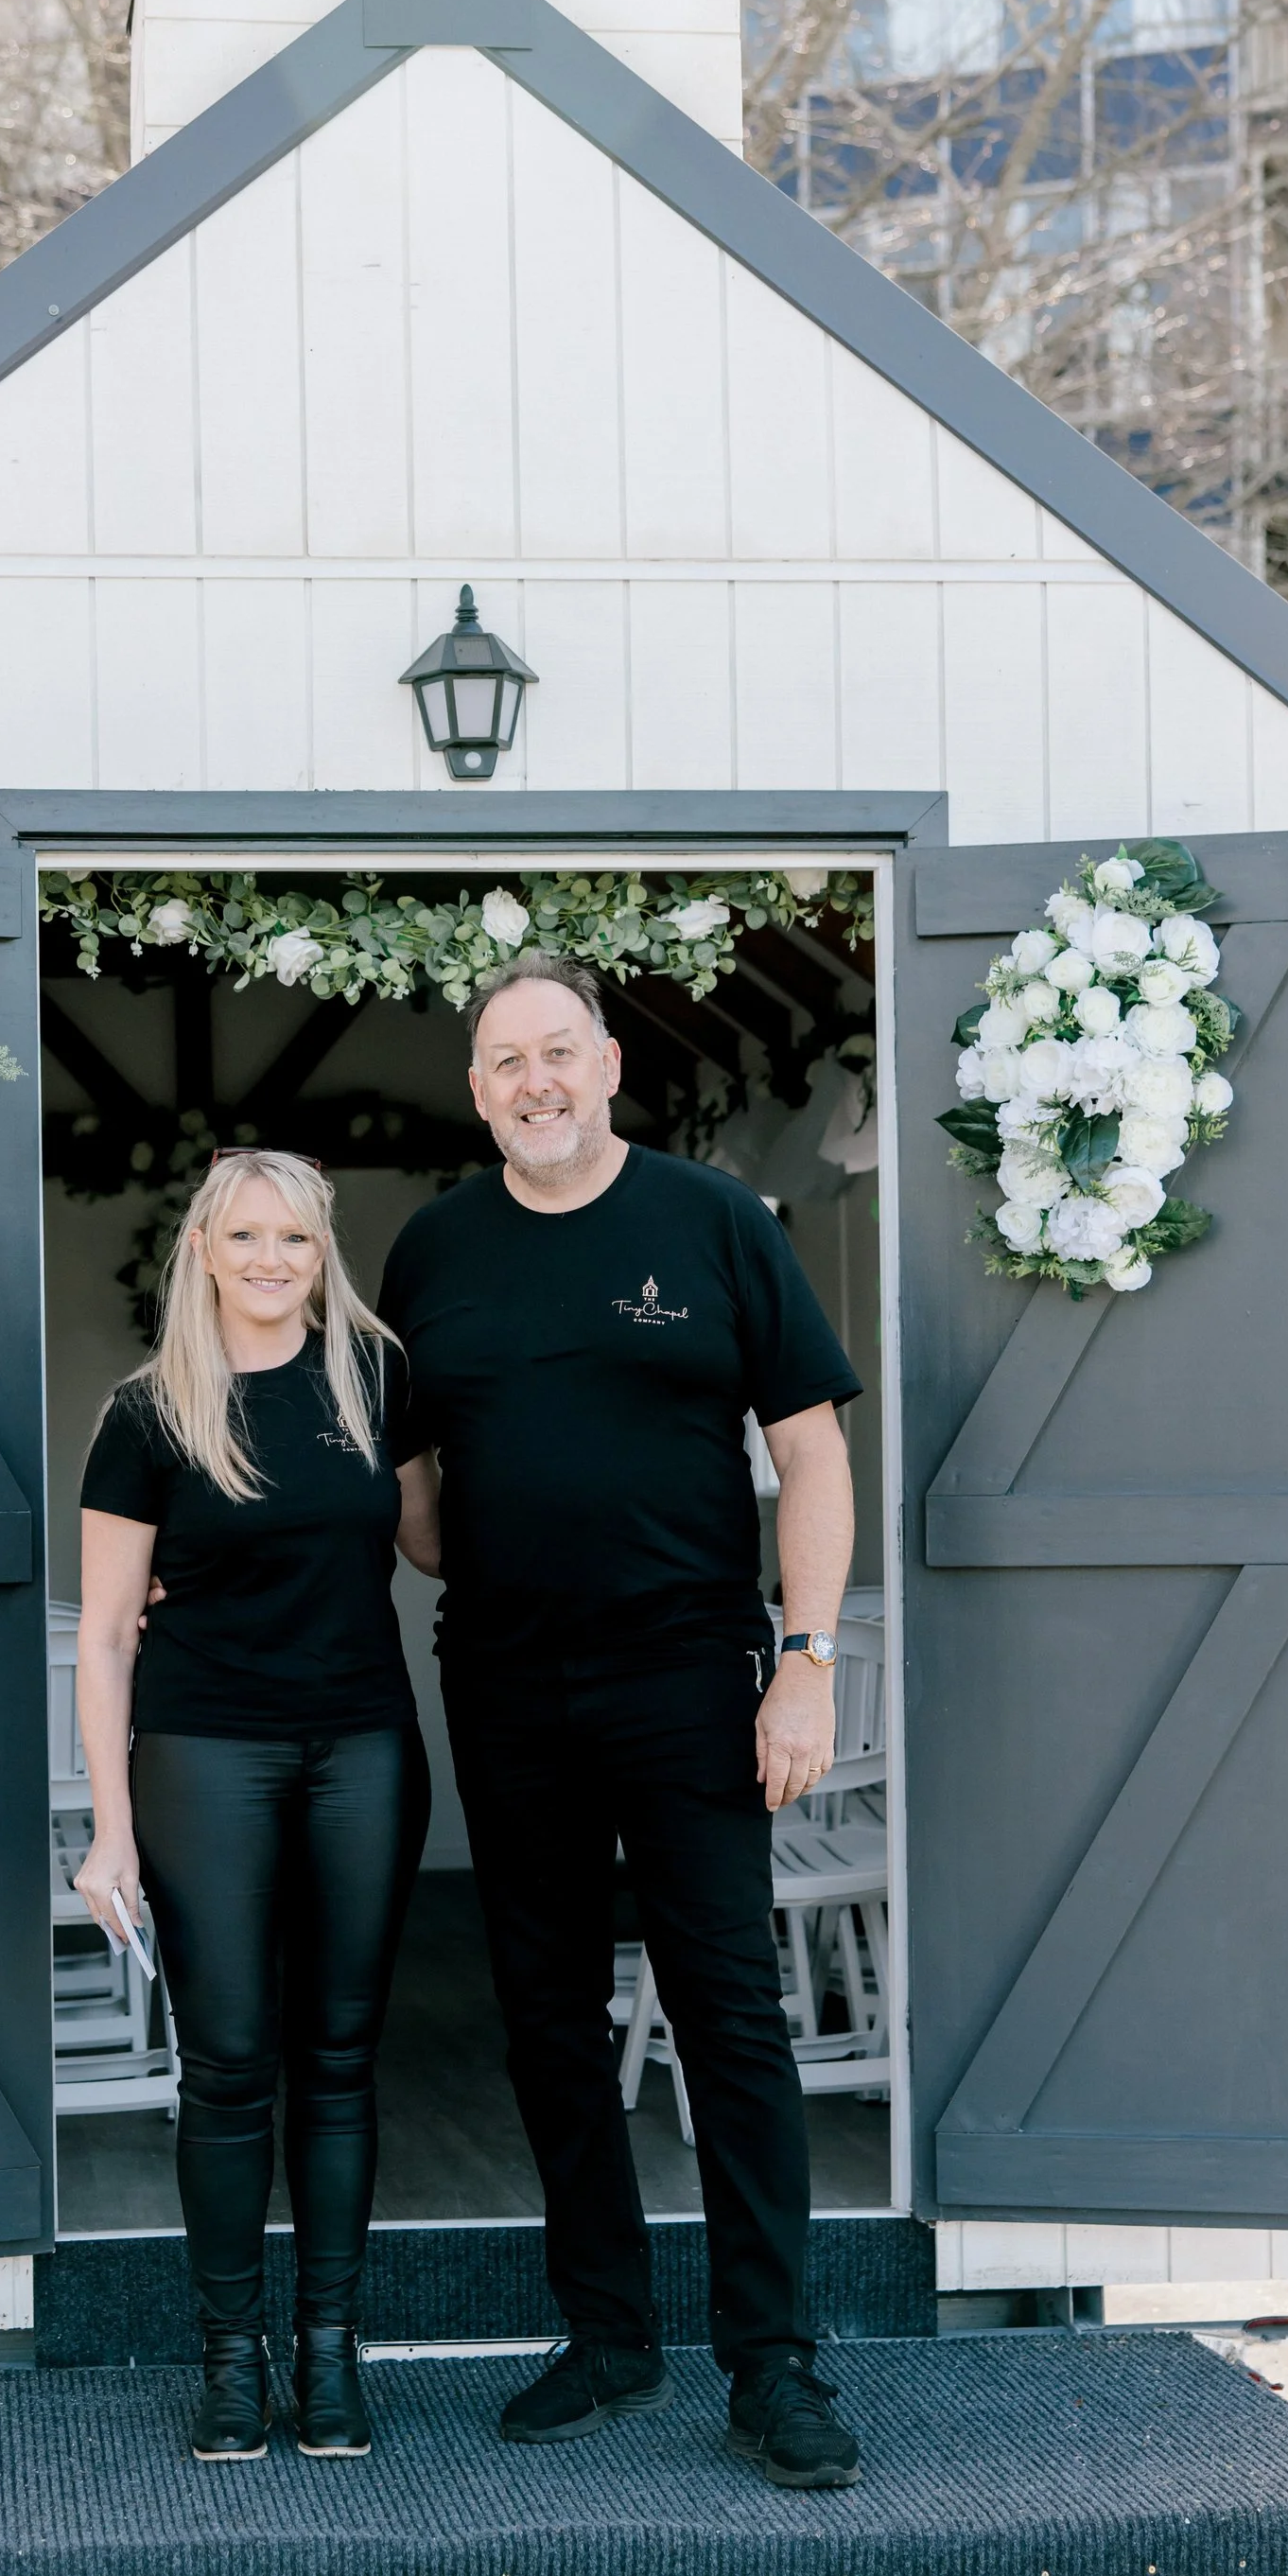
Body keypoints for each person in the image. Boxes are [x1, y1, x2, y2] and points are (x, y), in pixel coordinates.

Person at [381, 951, 863, 2490]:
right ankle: (609, 2335)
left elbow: (813, 1455)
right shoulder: (434, 1250)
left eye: (558, 1052)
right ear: (479, 1093)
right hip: (504, 1678)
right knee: (547, 2015)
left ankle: (773, 2363)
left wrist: (807, 1661)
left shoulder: (714, 1221)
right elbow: (413, 1494)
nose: (535, 1082)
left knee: (729, 2012)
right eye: (505, 1062)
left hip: (686, 1672)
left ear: (606, 1066)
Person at [74, 1150, 432, 2466]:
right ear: (203, 1253)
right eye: (245, 1238)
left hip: (362, 1750)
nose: (271, 1260)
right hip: (205, 1753)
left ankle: (329, 2355)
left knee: (339, 2062)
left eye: (294, 1238)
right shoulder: (147, 1414)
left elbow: (438, 1539)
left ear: (321, 1249)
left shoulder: (377, 1379)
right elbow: (105, 1634)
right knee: (227, 2066)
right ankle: (234, 2364)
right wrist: (111, 1830)